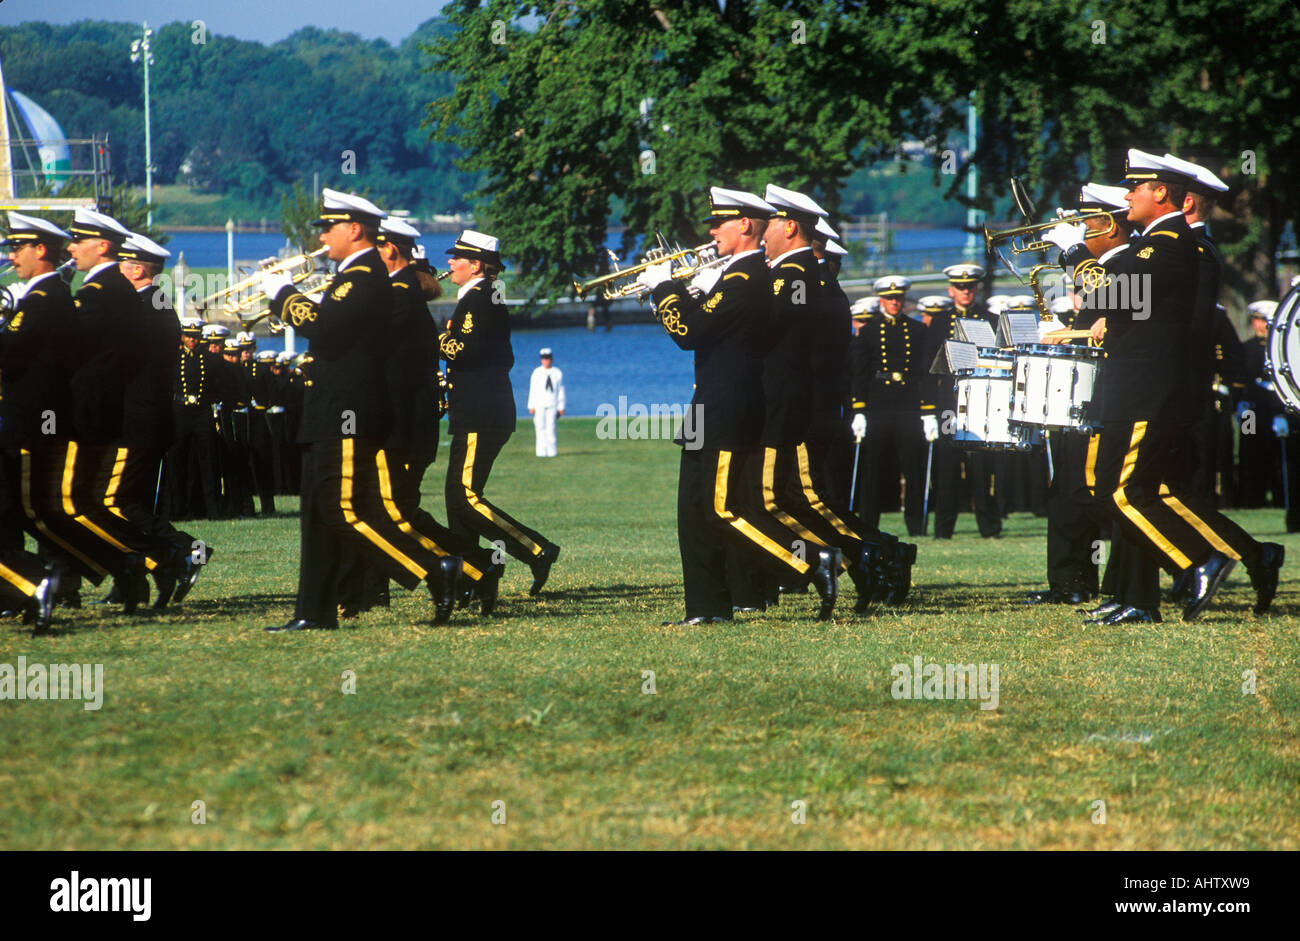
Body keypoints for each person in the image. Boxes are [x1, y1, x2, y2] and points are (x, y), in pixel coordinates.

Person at [1048, 150, 1283, 623]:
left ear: (1160, 193)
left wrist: (1076, 254)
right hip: (1138, 384)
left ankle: (1199, 562)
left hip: (1147, 388)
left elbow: (1113, 298)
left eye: (1135, 187)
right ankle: (1137, 593)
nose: (1127, 195)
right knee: (1132, 493)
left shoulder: (1169, 244)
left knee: (1125, 493)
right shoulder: (1156, 244)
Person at [637, 186, 845, 622]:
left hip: (728, 406)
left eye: (718, 223)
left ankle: (808, 560)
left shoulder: (747, 279)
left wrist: (665, 290)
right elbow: (704, 328)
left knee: (719, 509)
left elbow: (687, 334)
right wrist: (688, 292)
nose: (711, 232)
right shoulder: (736, 278)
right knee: (693, 515)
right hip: (708, 404)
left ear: (744, 225)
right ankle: (706, 608)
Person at [261, 189, 463, 631]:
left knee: (342, 511)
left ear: (355, 230)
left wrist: (283, 296)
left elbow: (324, 328)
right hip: (327, 410)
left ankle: (434, 568)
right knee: (317, 518)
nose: (322, 237)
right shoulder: (354, 275)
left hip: (346, 412)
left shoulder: (365, 275)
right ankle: (313, 612)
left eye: (329, 227)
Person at [439, 229, 561, 595]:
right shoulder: (486, 294)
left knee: (464, 497)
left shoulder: (482, 297)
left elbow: (469, 350)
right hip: (477, 410)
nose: (449, 262)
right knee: (457, 500)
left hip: (480, 413)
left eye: (456, 257)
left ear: (475, 264)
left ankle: (536, 549)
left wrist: (437, 340)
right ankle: (470, 577)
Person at [114, 232, 209, 606]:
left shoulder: (148, 306)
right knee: (126, 504)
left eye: (121, 265)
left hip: (139, 421)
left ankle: (185, 551)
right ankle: (133, 576)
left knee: (119, 503)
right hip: (146, 419)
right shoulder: (154, 304)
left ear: (137, 268)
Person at [0, 211, 77, 633]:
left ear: (40, 250)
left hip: (33, 418)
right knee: (18, 510)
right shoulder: (39, 297)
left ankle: (43, 581)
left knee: (28, 507)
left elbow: (10, 351)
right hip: (27, 415)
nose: (12, 256)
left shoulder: (45, 299)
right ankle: (31, 587)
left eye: (17, 247)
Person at [850, 275, 926, 536]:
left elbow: (924, 372)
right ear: (881, 300)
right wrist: (859, 410)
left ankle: (916, 527)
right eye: (889, 298)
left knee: (914, 468)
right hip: (878, 404)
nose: (894, 302)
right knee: (873, 469)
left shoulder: (917, 331)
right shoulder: (869, 332)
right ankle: (868, 525)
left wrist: (928, 412)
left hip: (908, 405)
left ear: (904, 300)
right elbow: (859, 373)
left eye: (898, 298)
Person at [527, 347, 565, 457]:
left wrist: (561, 406)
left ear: (551, 359)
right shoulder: (537, 372)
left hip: (552, 403)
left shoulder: (557, 373)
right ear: (541, 360)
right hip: (539, 404)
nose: (546, 361)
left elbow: (560, 390)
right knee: (540, 427)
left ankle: (552, 452)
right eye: (544, 359)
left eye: (548, 359)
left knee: (551, 427)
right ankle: (541, 452)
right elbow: (532, 389)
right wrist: (531, 405)